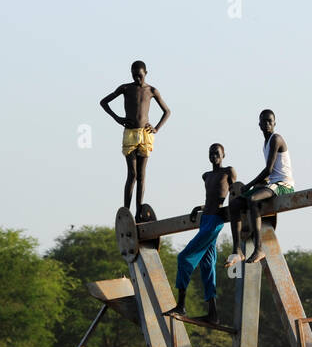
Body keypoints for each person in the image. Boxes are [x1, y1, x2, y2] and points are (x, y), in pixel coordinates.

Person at [170, 143, 236, 324]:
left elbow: (235, 194)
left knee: (184, 258)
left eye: (217, 153)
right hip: (205, 219)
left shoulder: (228, 172)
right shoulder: (206, 176)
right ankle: (213, 314)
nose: (214, 156)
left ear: (223, 155)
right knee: (207, 266)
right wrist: (198, 208)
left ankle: (181, 305)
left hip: (214, 221)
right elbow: (211, 198)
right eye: (211, 153)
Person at [99, 60, 170, 211]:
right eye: (134, 76)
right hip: (130, 134)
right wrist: (117, 118)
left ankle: (139, 210)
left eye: (139, 76)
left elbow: (167, 111)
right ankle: (126, 210)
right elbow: (104, 102)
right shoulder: (125, 88)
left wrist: (156, 128)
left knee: (141, 175)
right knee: (132, 173)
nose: (137, 79)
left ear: (146, 73)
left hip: (146, 134)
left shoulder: (152, 90)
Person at [228, 109, 295, 265]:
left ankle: (259, 249)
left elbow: (269, 170)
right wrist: (258, 185)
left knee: (252, 199)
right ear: (259, 124)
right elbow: (268, 174)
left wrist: (250, 185)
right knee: (235, 204)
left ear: (275, 123)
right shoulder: (265, 143)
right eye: (264, 121)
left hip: (284, 185)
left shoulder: (275, 139)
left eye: (269, 121)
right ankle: (237, 250)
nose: (266, 124)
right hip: (272, 184)